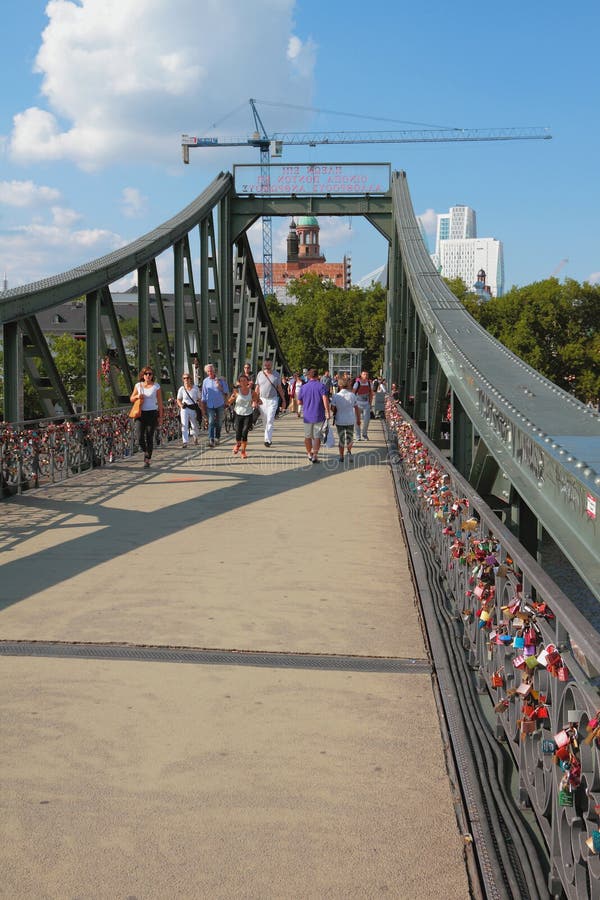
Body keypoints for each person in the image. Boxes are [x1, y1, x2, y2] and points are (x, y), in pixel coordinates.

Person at [130, 366, 163, 467]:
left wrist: (161, 416)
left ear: (152, 375)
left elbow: (160, 402)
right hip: (140, 414)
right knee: (139, 437)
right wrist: (137, 396)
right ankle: (146, 451)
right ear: (143, 375)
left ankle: (147, 459)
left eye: (150, 374)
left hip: (152, 413)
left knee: (149, 436)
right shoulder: (138, 385)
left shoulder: (156, 386)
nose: (148, 375)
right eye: (146, 374)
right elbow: (131, 398)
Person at [298, 367, 331, 464]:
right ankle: (315, 456)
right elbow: (325, 399)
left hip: (307, 416)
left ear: (309, 376)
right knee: (317, 436)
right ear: (318, 376)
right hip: (318, 415)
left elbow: (299, 402)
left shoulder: (304, 387)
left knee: (307, 436)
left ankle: (309, 453)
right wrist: (327, 411)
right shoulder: (321, 386)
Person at [228, 374, 261, 458]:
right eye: (241, 380)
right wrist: (228, 400)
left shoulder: (252, 392)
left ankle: (243, 451)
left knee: (245, 432)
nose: (243, 382)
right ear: (239, 382)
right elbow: (229, 401)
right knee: (238, 432)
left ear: (248, 382)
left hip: (248, 414)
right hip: (238, 414)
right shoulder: (236, 391)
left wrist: (255, 402)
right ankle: (238, 444)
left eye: (244, 380)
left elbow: (257, 400)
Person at [255, 359, 286, 447]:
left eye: (269, 365)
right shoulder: (260, 374)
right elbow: (257, 388)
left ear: (271, 365)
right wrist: (255, 400)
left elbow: (279, 388)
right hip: (262, 400)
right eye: (266, 365)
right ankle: (267, 436)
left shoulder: (276, 374)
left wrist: (283, 400)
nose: (267, 367)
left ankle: (268, 440)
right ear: (264, 365)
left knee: (270, 419)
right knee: (265, 420)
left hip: (273, 399)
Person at [329, 375, 360, 463]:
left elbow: (332, 408)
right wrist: (358, 419)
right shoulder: (352, 395)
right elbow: (356, 408)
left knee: (341, 438)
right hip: (350, 419)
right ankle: (349, 451)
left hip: (340, 419)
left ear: (340, 385)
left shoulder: (336, 396)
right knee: (350, 437)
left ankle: (341, 456)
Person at [200, 363, 229, 448]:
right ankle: (211, 439)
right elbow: (204, 394)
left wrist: (220, 387)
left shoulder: (221, 380)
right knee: (211, 421)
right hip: (210, 405)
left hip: (220, 404)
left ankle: (217, 437)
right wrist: (203, 407)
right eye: (208, 371)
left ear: (214, 371)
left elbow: (226, 391)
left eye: (211, 371)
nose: (210, 372)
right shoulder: (205, 381)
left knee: (219, 422)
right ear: (206, 372)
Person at [176, 372, 201, 448]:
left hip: (193, 408)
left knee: (194, 424)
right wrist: (181, 405)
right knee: (184, 424)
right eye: (184, 378)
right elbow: (178, 399)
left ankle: (195, 438)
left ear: (190, 379)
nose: (186, 379)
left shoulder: (195, 388)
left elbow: (199, 399)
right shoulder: (181, 389)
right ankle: (185, 442)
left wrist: (201, 408)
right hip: (185, 408)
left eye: (187, 378)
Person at [353, 370, 373, 441]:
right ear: (361, 375)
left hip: (366, 404)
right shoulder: (357, 383)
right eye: (364, 374)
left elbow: (371, 394)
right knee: (356, 420)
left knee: (366, 421)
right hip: (357, 404)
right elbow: (353, 393)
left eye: (367, 374)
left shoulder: (369, 383)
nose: (365, 376)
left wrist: (370, 404)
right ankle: (358, 435)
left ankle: (364, 434)